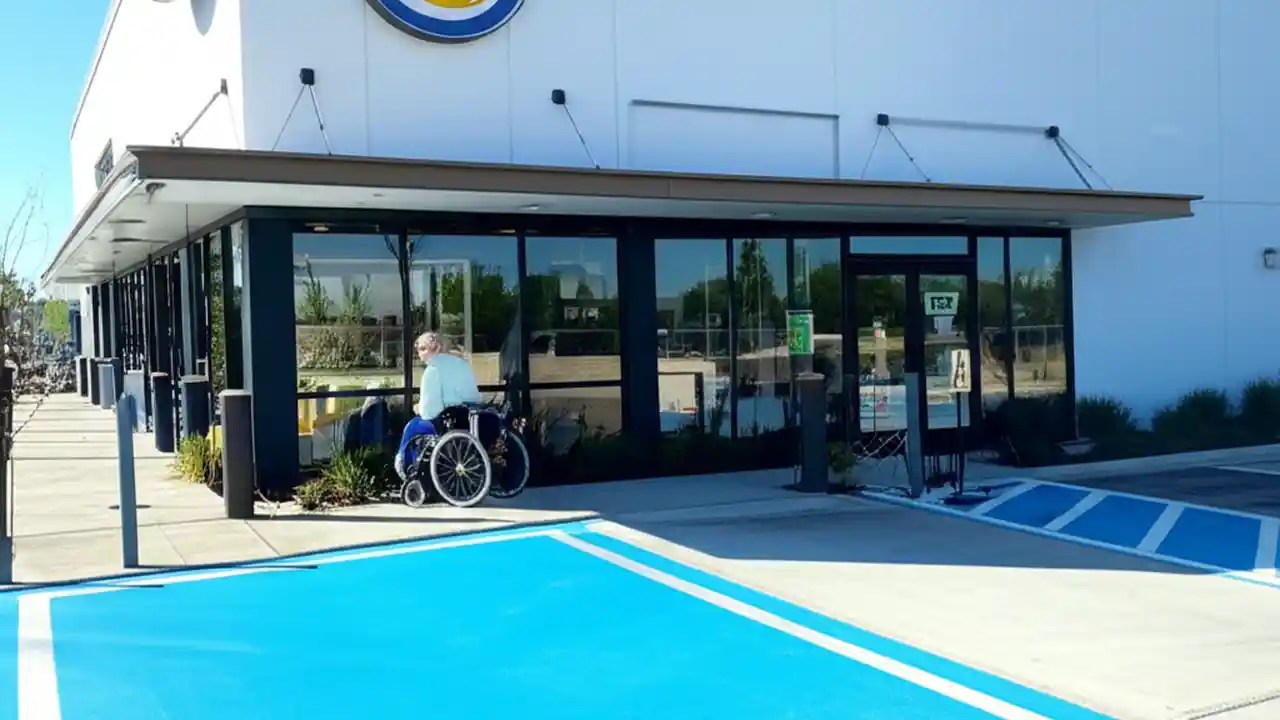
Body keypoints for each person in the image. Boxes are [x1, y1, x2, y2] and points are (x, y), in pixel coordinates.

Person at [395, 332, 483, 478]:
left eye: (423, 348)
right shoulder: (462, 364)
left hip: (447, 421)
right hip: (470, 418)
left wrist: (418, 409)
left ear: (437, 348)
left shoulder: (433, 369)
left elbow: (429, 411)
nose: (420, 353)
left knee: (412, 426)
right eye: (418, 349)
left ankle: (407, 468)